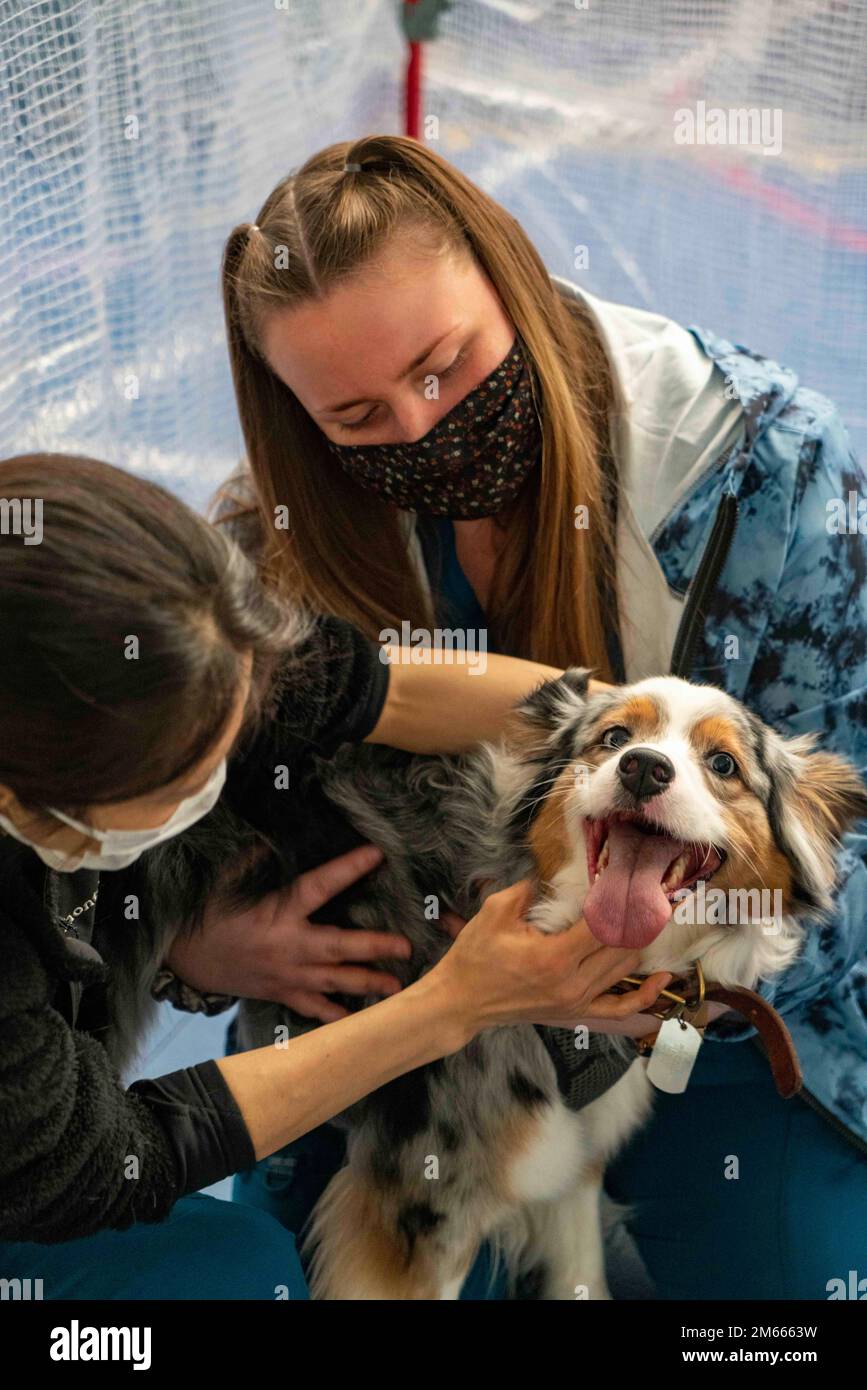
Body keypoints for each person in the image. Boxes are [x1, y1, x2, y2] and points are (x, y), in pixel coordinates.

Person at [213, 133, 867, 1300]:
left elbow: (844, 839)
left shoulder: (781, 474)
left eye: (446, 367)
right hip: (393, 1004)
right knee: (250, 1268)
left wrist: (677, 978)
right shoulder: (270, 543)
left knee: (774, 1298)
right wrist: (206, 947)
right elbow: (166, 811)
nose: (416, 430)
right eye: (356, 414)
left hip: (719, 1023)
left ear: (512, 274)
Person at [0, 452, 672, 1300]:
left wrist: (640, 729)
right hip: (37, 1175)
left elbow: (385, 690)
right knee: (233, 1276)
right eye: (183, 782)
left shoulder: (181, 632)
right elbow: (102, 1162)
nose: (217, 782)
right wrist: (455, 1005)